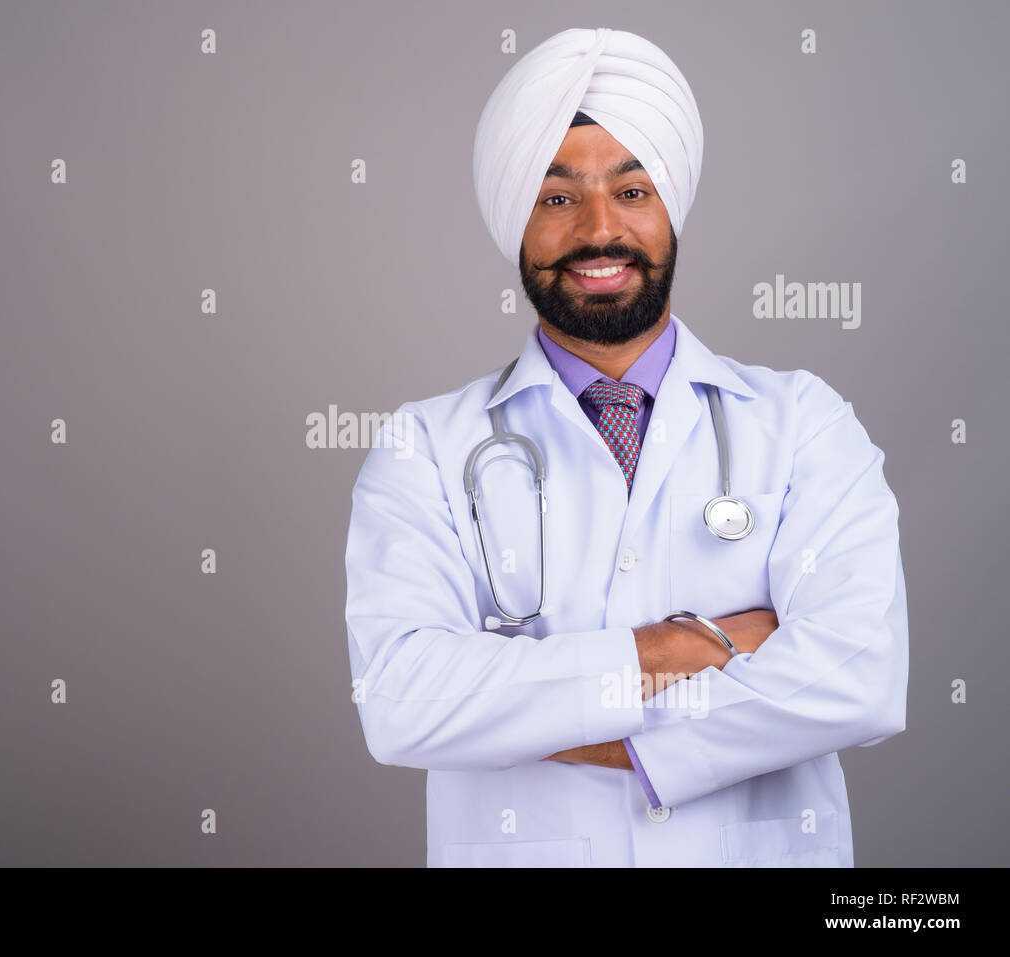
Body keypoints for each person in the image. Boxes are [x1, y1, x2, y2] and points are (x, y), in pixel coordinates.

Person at [343, 27, 908, 867]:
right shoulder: (423, 447)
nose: (600, 230)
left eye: (633, 191)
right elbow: (403, 701)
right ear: (517, 220)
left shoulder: (804, 423)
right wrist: (677, 648)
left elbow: (856, 679)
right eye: (558, 196)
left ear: (670, 206)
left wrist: (557, 713)